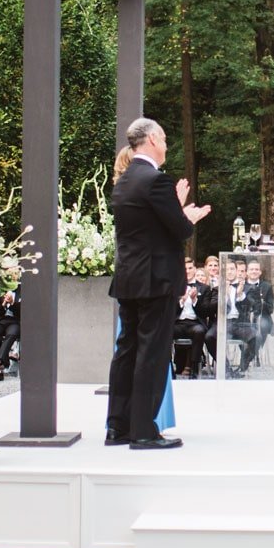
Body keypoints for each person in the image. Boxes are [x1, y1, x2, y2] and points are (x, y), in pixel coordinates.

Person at [105, 118, 209, 450]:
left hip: (129, 276)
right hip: (156, 279)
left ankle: (117, 427)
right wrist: (187, 218)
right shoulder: (155, 180)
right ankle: (144, 430)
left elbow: (146, 228)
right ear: (151, 139)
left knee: (127, 350)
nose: (166, 146)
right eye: (163, 139)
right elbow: (179, 230)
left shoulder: (124, 181)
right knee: (151, 351)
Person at [0, 289, 21, 381]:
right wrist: (3, 304)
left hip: (14, 322)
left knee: (11, 334)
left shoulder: (21, 291)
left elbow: (23, 312)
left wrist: (12, 303)